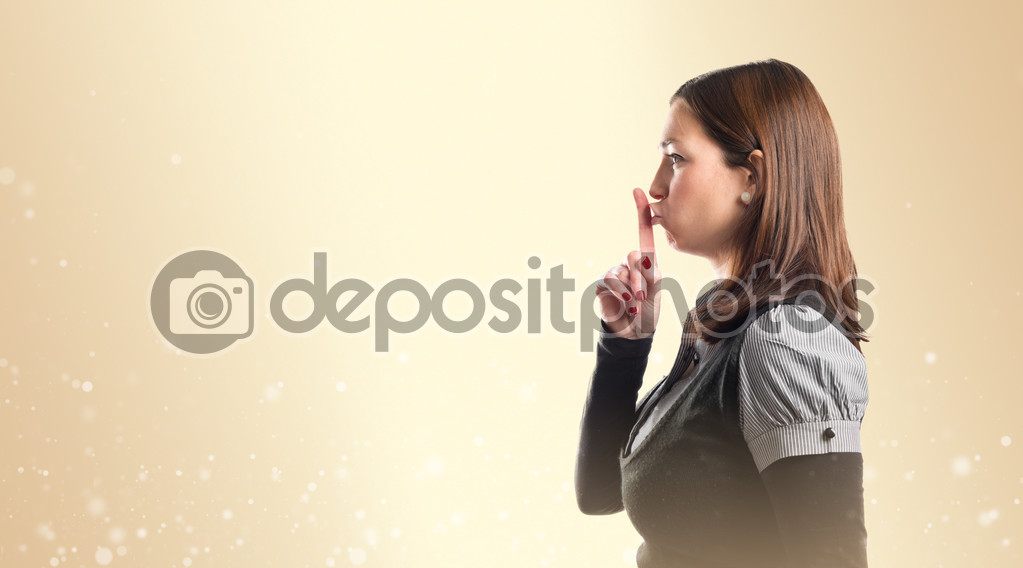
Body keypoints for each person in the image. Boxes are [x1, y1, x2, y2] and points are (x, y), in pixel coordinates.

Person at [576, 59, 871, 567]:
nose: (655, 187)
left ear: (751, 177)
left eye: (677, 159)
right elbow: (602, 491)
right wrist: (625, 345)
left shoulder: (786, 340)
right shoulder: (721, 327)